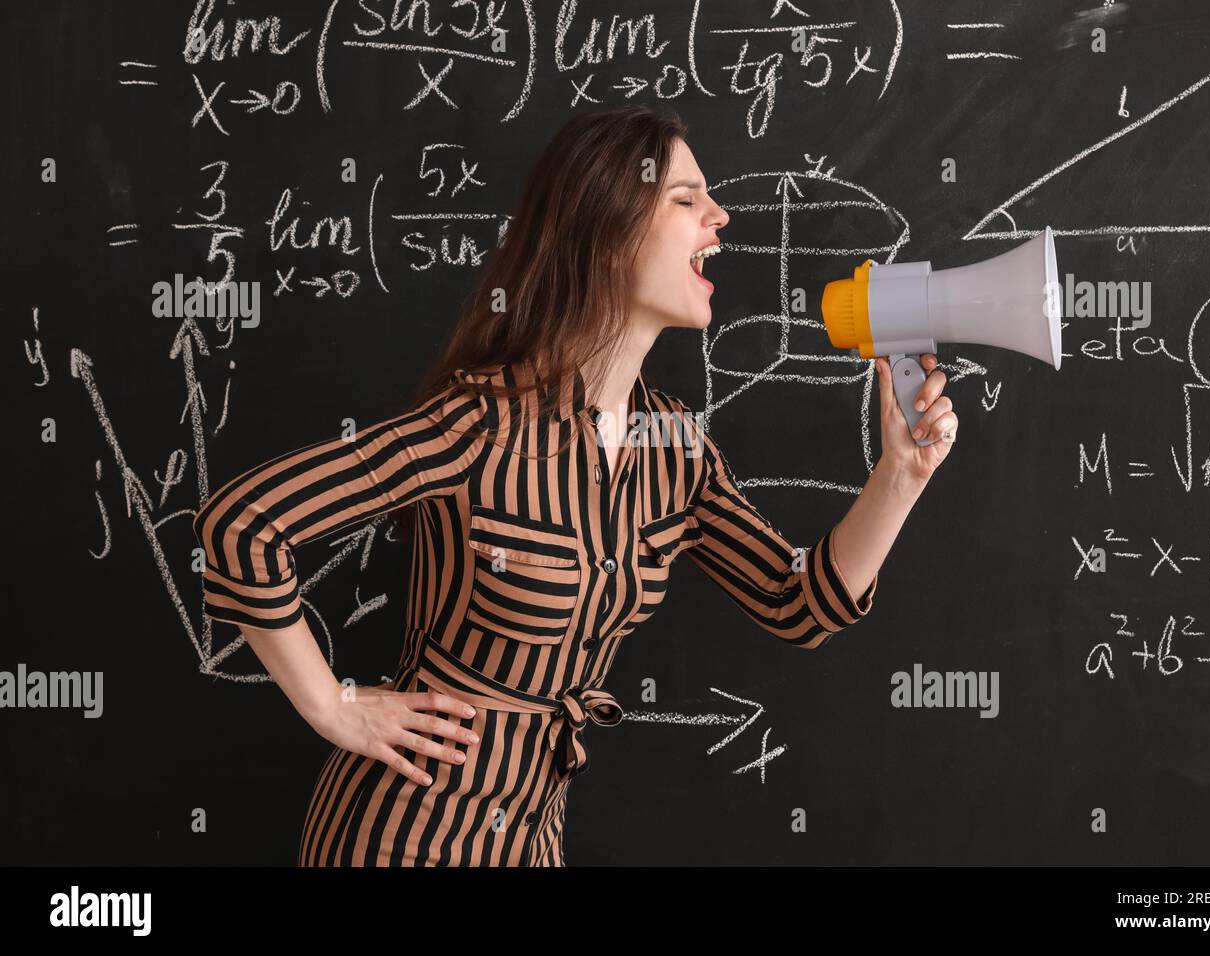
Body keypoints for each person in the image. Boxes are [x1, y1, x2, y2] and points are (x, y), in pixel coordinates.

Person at [191, 104, 957, 866]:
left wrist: (901, 475)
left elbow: (801, 604)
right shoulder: (479, 423)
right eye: (686, 200)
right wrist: (335, 706)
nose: (719, 217)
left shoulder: (675, 450)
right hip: (405, 833)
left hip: (533, 836)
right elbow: (243, 526)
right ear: (607, 231)